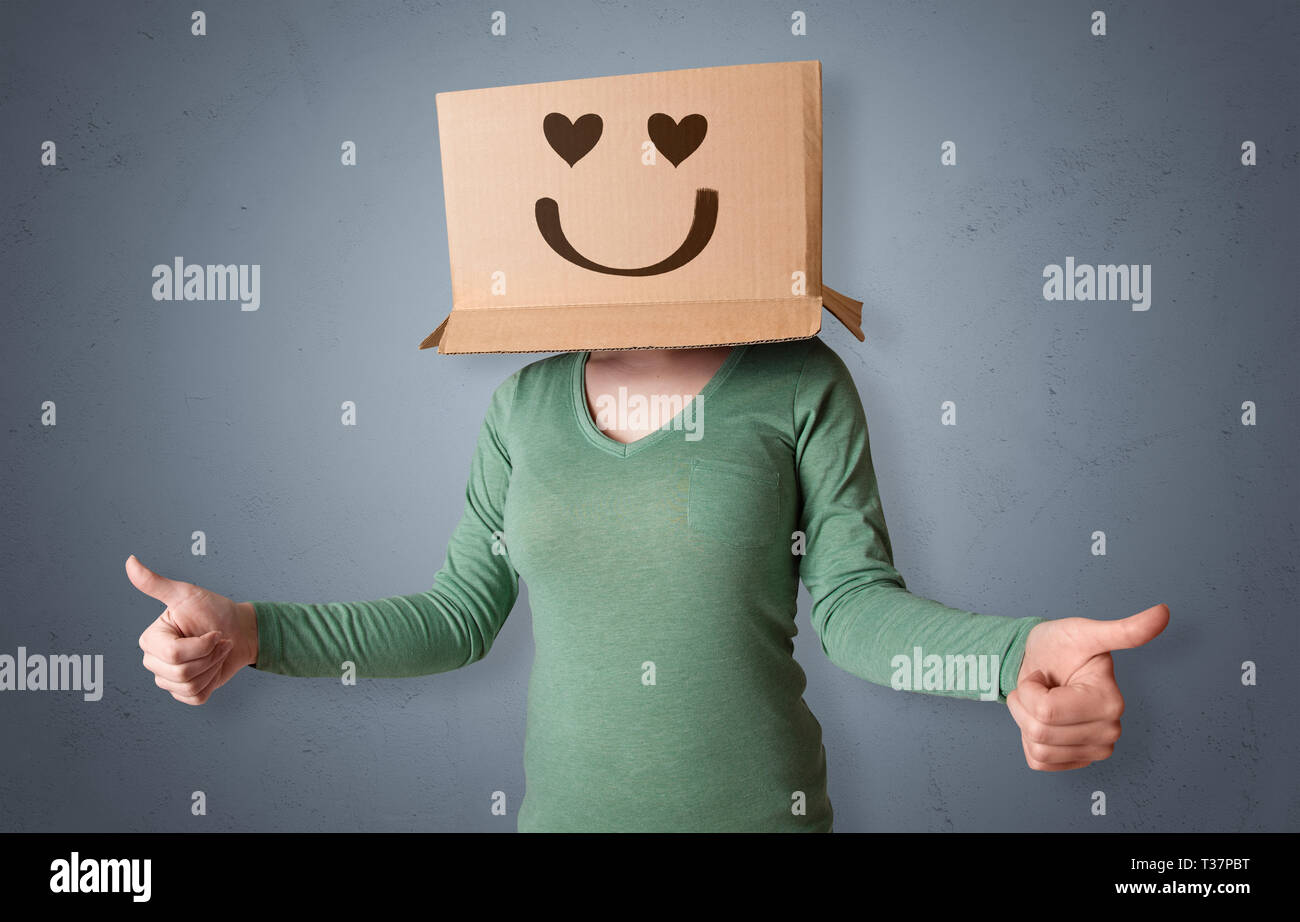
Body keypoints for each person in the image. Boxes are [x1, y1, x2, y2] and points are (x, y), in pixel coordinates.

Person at [128, 337, 1169, 832]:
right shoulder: (524, 404)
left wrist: (1009, 653)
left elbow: (851, 609)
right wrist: (255, 631)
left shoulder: (800, 381)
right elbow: (455, 615)